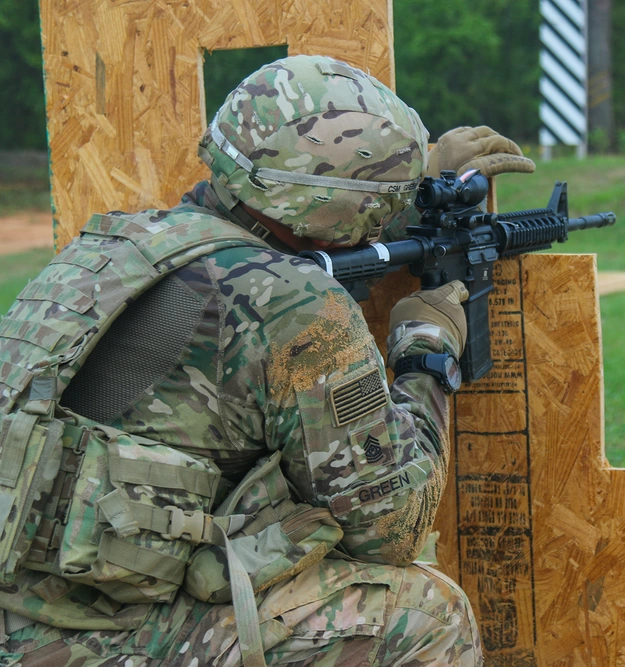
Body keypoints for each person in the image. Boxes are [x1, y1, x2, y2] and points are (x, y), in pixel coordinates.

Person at [0, 54, 534, 666]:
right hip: (80, 641)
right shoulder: (294, 304)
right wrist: (425, 349)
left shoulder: (114, 247)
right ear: (342, 211)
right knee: (424, 616)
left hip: (29, 600)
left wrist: (406, 174)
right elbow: (390, 527)